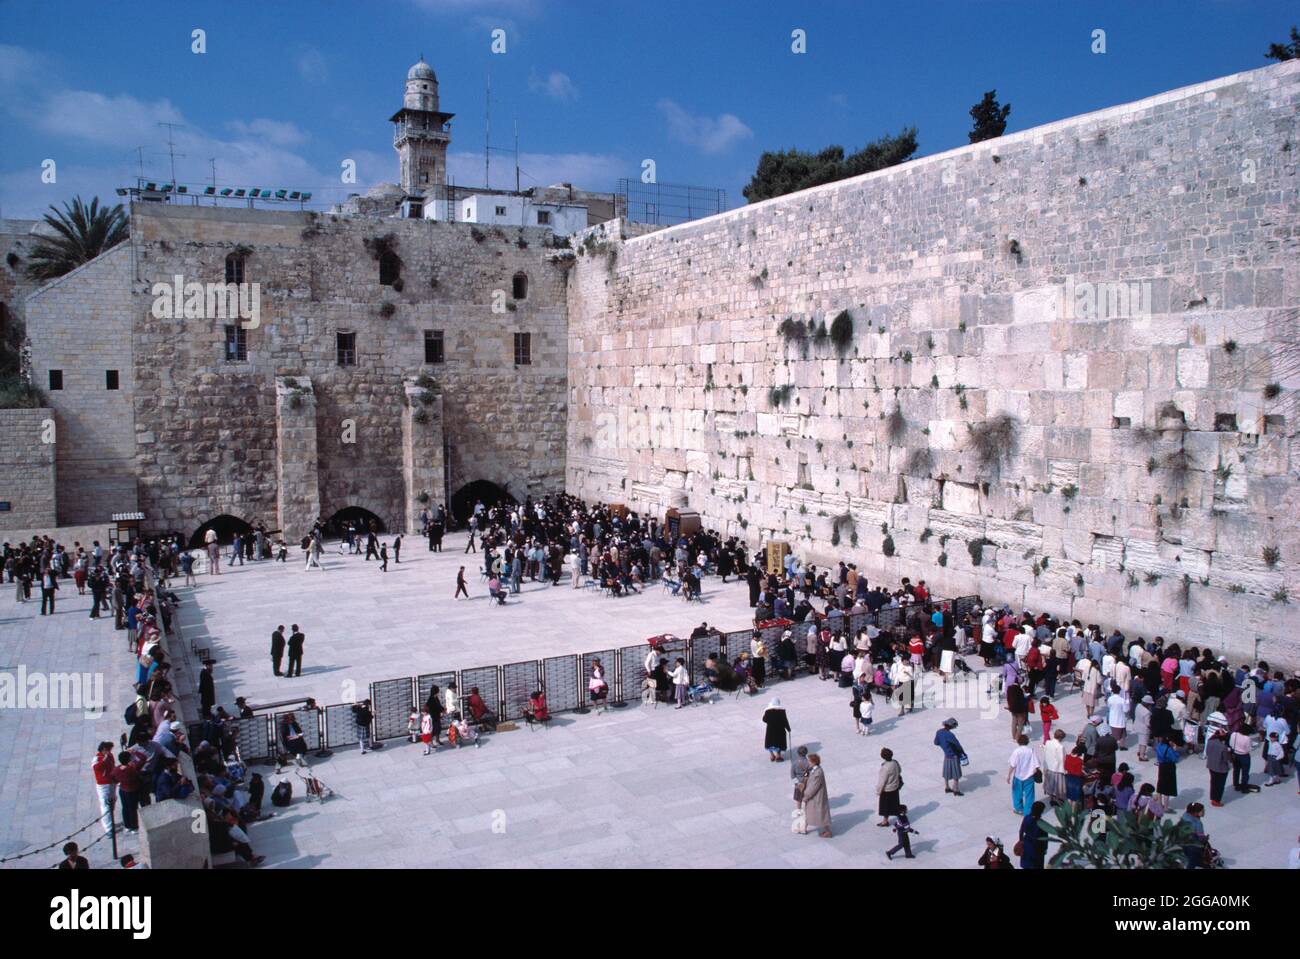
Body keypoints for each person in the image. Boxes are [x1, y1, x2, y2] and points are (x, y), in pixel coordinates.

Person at [1007, 734, 1040, 815]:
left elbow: (1012, 764)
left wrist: (1008, 775)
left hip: (1018, 777)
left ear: (1018, 742)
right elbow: (1037, 765)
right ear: (1027, 742)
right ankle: (1028, 811)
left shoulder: (1017, 751)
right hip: (1029, 777)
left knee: (1017, 793)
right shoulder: (1031, 750)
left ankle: (1018, 808)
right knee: (1029, 795)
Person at [933, 717, 967, 796]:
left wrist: (943, 745)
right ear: (951, 727)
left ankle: (947, 787)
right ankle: (956, 789)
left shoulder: (939, 732)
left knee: (946, 772)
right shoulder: (950, 735)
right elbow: (958, 745)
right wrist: (963, 753)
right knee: (956, 774)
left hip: (946, 756)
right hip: (954, 756)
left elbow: (936, 742)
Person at [801, 753, 831, 838]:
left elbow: (814, 787)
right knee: (817, 813)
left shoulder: (818, 773)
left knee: (821, 814)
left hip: (816, 797)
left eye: (809, 761)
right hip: (814, 796)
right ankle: (805, 827)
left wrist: (806, 796)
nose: (808, 763)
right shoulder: (814, 770)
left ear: (814, 762)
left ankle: (827, 831)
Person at [877, 747, 903, 826]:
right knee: (895, 804)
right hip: (895, 787)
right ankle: (900, 819)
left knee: (885, 807)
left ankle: (885, 821)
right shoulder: (895, 762)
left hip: (887, 790)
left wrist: (879, 791)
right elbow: (900, 770)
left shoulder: (885, 767)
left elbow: (882, 781)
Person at [1204, 729, 1231, 806]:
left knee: (1213, 782)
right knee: (1220, 785)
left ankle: (1213, 798)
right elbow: (1226, 759)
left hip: (1211, 765)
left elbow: (1207, 752)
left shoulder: (1210, 741)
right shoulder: (1223, 747)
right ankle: (1217, 800)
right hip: (1221, 768)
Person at [1017, 801, 1047, 869]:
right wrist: (1045, 849)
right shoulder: (1042, 824)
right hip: (1037, 848)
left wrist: (1021, 841)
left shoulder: (1026, 818)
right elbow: (1045, 839)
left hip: (1027, 845)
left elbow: (1021, 831)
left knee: (1027, 865)